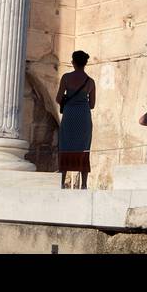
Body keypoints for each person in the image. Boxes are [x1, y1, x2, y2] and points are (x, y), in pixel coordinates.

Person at [55, 50, 95, 190]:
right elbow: (92, 105)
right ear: (85, 63)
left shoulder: (66, 78)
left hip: (70, 115)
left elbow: (58, 98)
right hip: (83, 117)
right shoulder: (90, 82)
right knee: (84, 148)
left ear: (73, 62)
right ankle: (83, 184)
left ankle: (61, 182)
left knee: (66, 146)